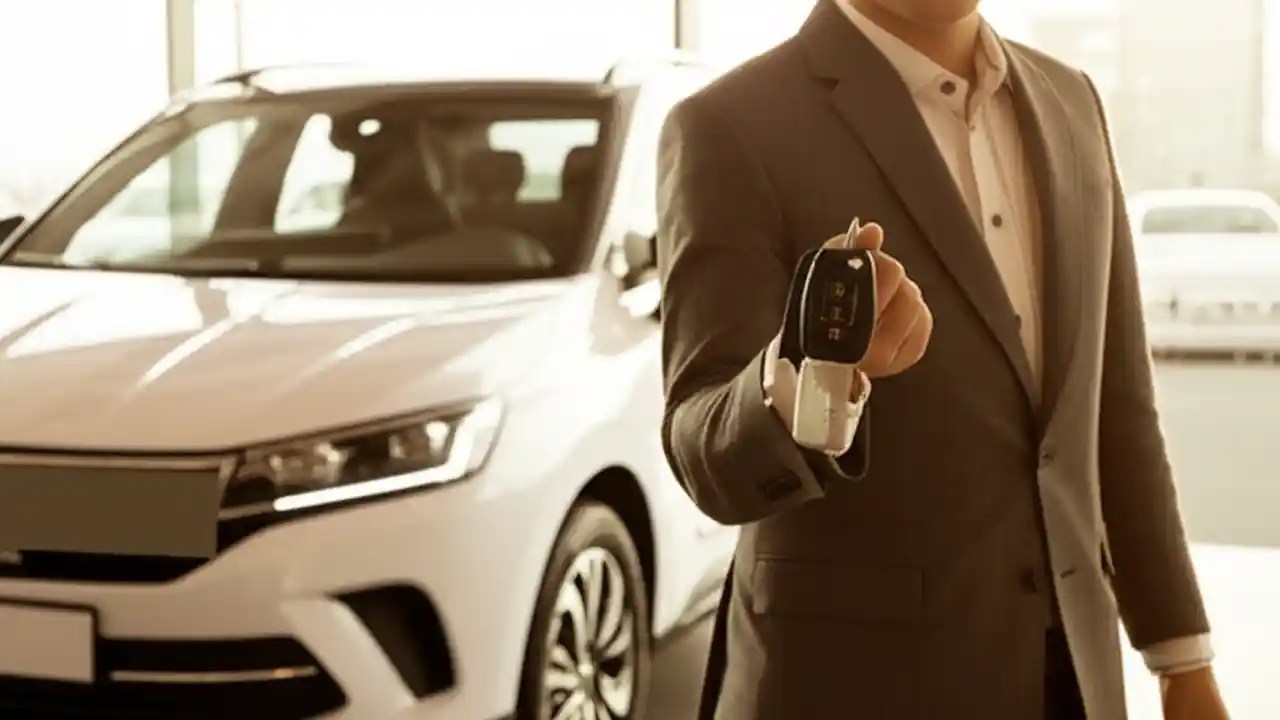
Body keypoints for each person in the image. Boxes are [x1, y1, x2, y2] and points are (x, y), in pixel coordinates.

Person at [655, 1, 1232, 718]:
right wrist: (815, 377)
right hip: (850, 686)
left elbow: (1117, 410)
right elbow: (699, 438)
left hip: (1073, 677)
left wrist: (1182, 658)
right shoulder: (729, 124)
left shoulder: (1071, 100)